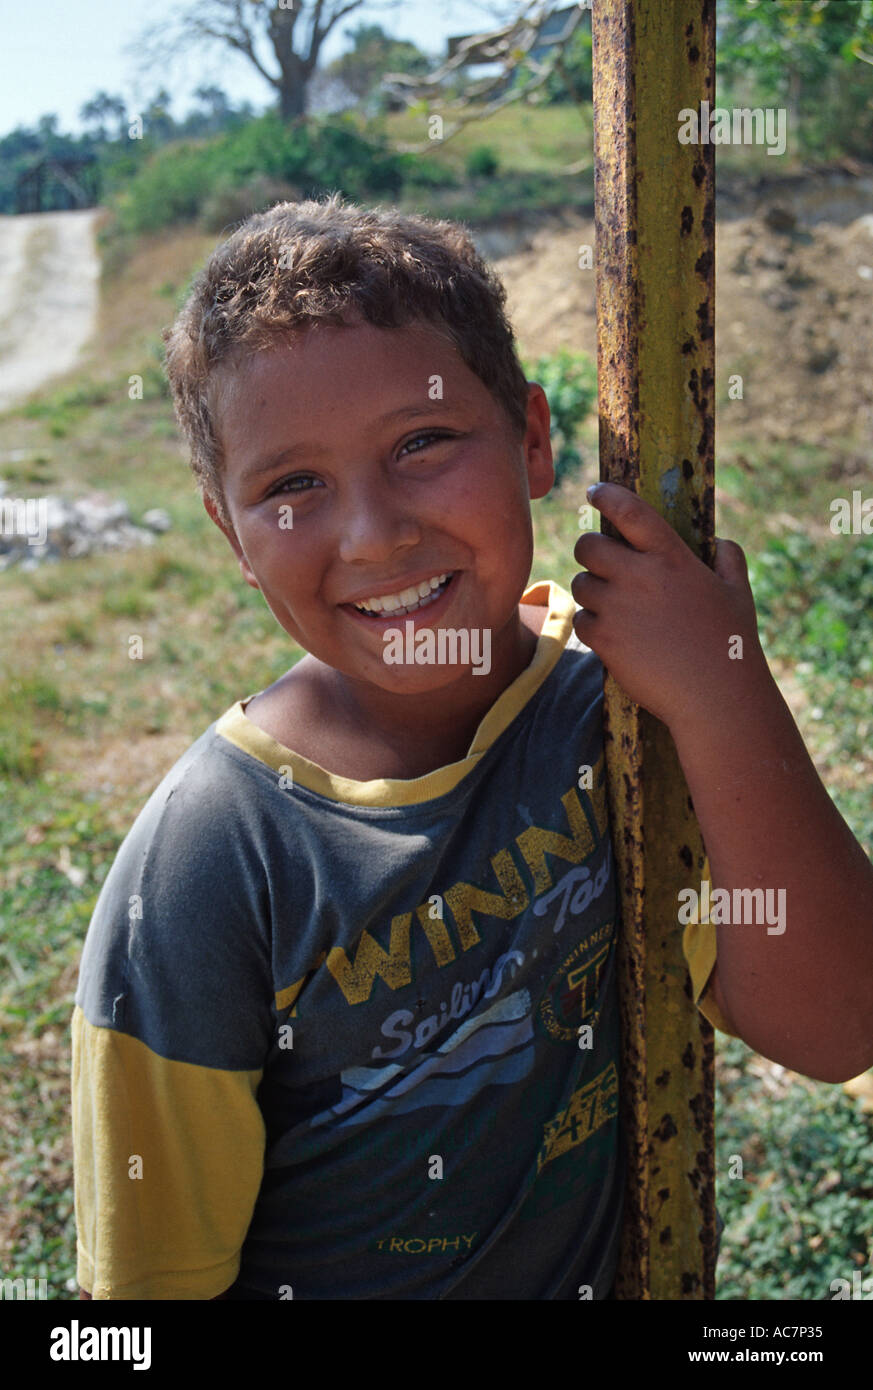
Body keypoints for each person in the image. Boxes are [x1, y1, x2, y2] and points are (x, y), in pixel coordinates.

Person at [72, 194, 873, 1300]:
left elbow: (837, 1023)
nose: (375, 531)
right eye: (293, 484)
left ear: (534, 440)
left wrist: (724, 694)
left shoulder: (614, 717)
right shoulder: (210, 867)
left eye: (424, 442)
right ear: (231, 535)